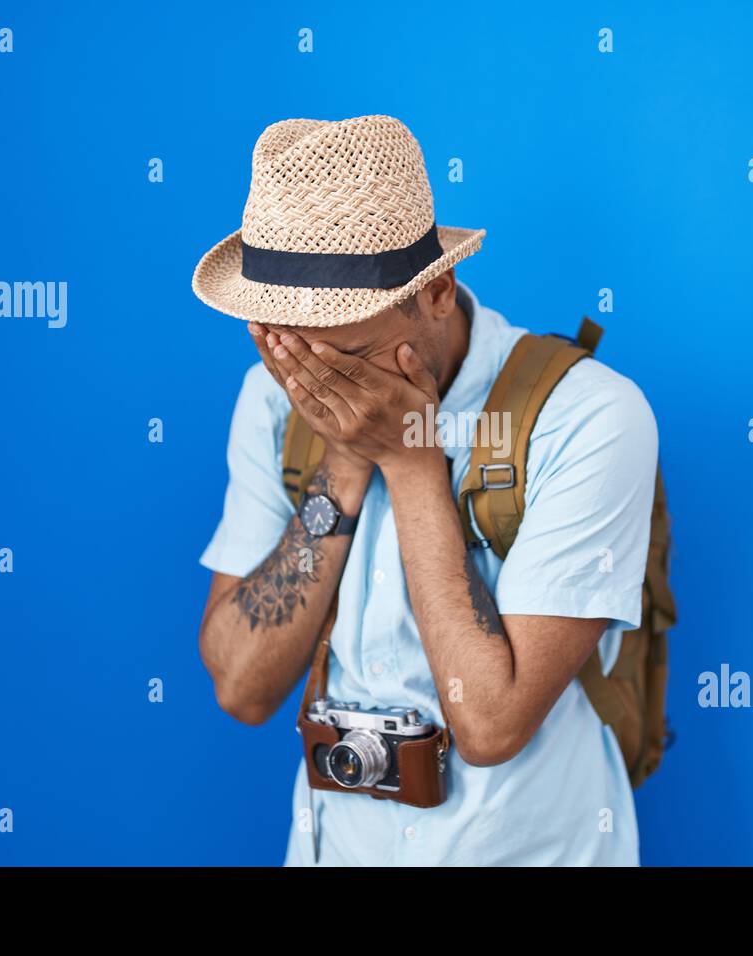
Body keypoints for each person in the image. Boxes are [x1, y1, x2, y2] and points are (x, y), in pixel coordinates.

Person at [193, 114, 658, 865]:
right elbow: (242, 689)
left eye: (347, 354)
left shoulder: (590, 417)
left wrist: (409, 463)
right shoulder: (274, 398)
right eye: (289, 346)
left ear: (437, 292)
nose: (315, 381)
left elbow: (492, 726)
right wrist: (343, 459)